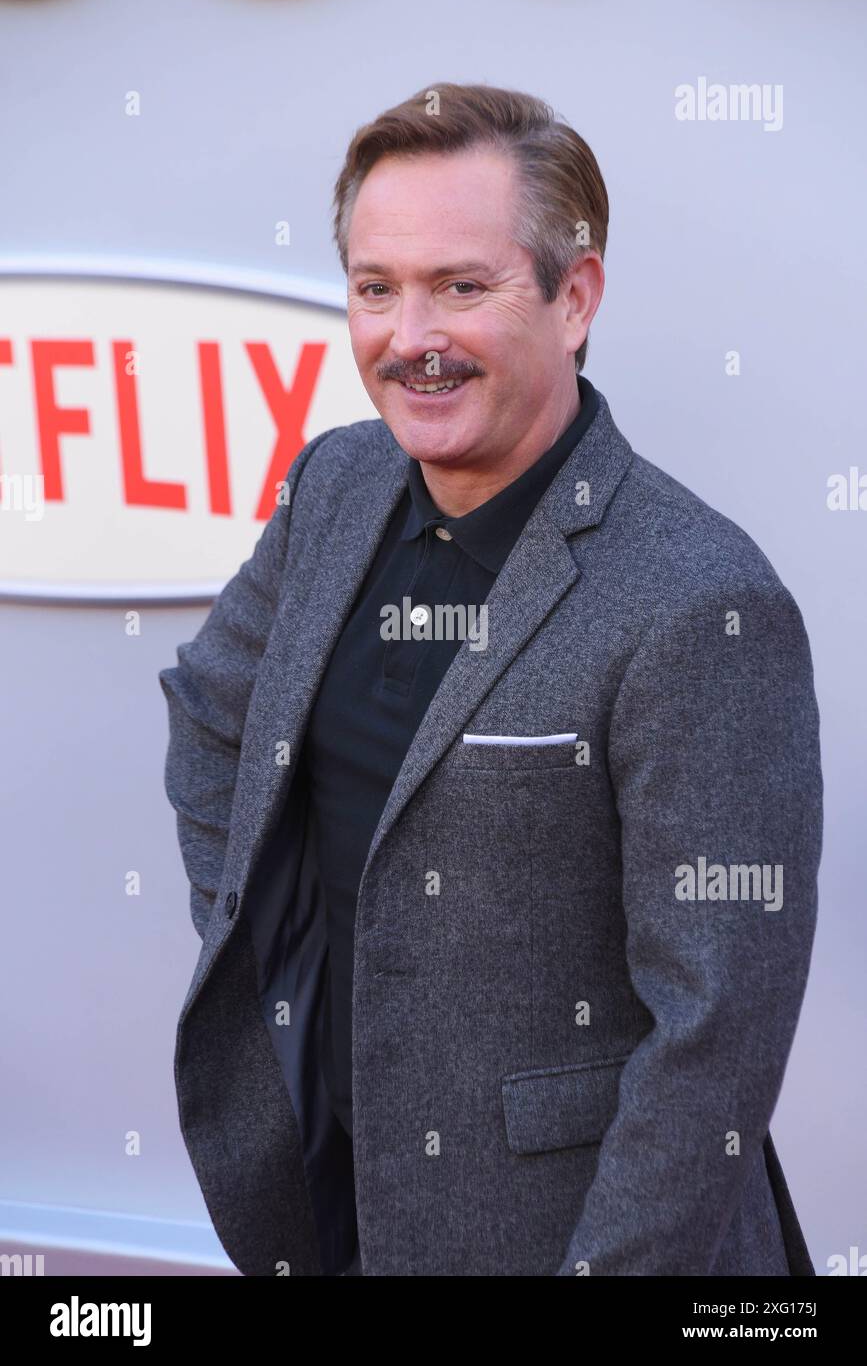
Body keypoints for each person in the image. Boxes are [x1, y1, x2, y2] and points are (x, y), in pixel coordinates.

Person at [159, 83, 822, 1277]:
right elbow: (213, 713)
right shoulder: (339, 486)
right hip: (340, 1213)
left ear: (576, 299)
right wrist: (270, 960)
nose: (409, 334)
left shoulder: (702, 600)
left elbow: (714, 1038)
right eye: (376, 287)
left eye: (462, 286)